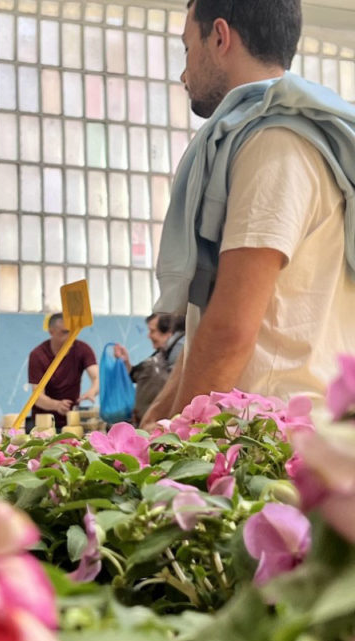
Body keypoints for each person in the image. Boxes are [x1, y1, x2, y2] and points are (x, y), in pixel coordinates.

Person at [144, 0, 355, 427]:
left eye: (187, 49)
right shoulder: (255, 139)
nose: (184, 74)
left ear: (220, 37)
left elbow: (231, 332)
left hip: (273, 441)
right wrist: (156, 417)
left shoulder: (274, 143)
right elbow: (214, 322)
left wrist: (172, 445)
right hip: (254, 431)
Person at [28, 312, 98, 430]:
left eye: (72, 331)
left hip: (72, 423)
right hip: (43, 425)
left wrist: (92, 391)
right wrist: (57, 405)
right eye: (65, 332)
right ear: (51, 332)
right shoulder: (38, 355)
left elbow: (96, 377)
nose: (70, 336)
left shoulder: (82, 349)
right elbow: (37, 396)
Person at [114, 314, 186, 423]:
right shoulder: (163, 353)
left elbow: (175, 386)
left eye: (152, 331)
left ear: (168, 333)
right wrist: (126, 362)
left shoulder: (177, 351)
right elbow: (139, 375)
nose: (149, 336)